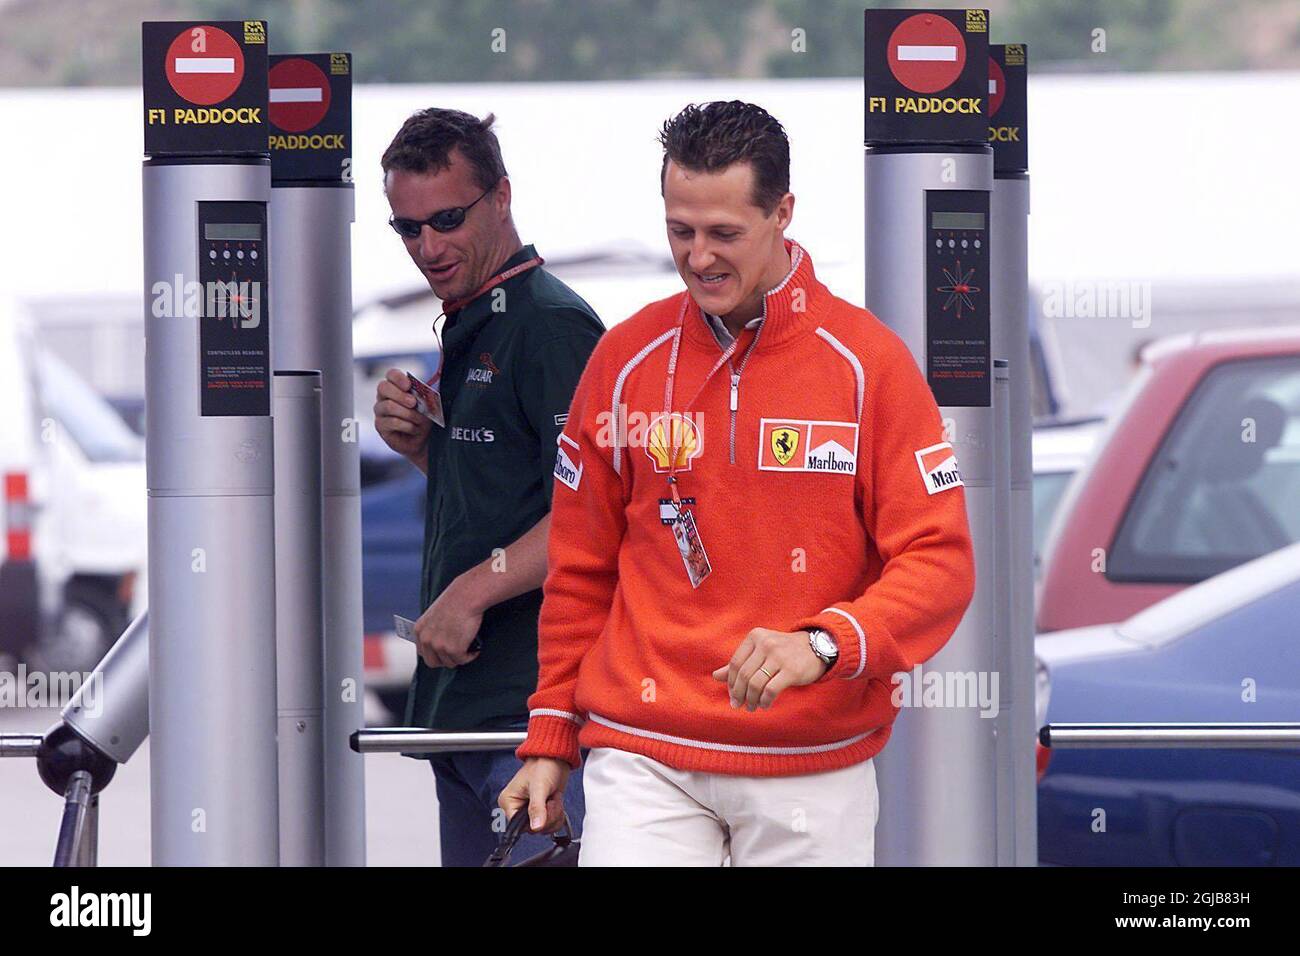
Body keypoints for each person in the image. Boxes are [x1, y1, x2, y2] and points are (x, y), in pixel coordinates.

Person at [500, 101, 976, 865]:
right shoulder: (622, 359)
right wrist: (551, 733)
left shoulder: (868, 364)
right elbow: (579, 565)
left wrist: (824, 643)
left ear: (782, 213)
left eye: (724, 233)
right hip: (644, 753)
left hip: (811, 763)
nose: (698, 257)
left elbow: (941, 563)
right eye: (679, 230)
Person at [374, 108, 602, 866]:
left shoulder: (551, 325)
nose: (428, 247)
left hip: (532, 715)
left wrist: (468, 594)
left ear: (501, 197)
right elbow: (509, 496)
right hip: (469, 716)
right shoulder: (477, 316)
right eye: (407, 228)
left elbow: (593, 512)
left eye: (446, 219)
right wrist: (425, 450)